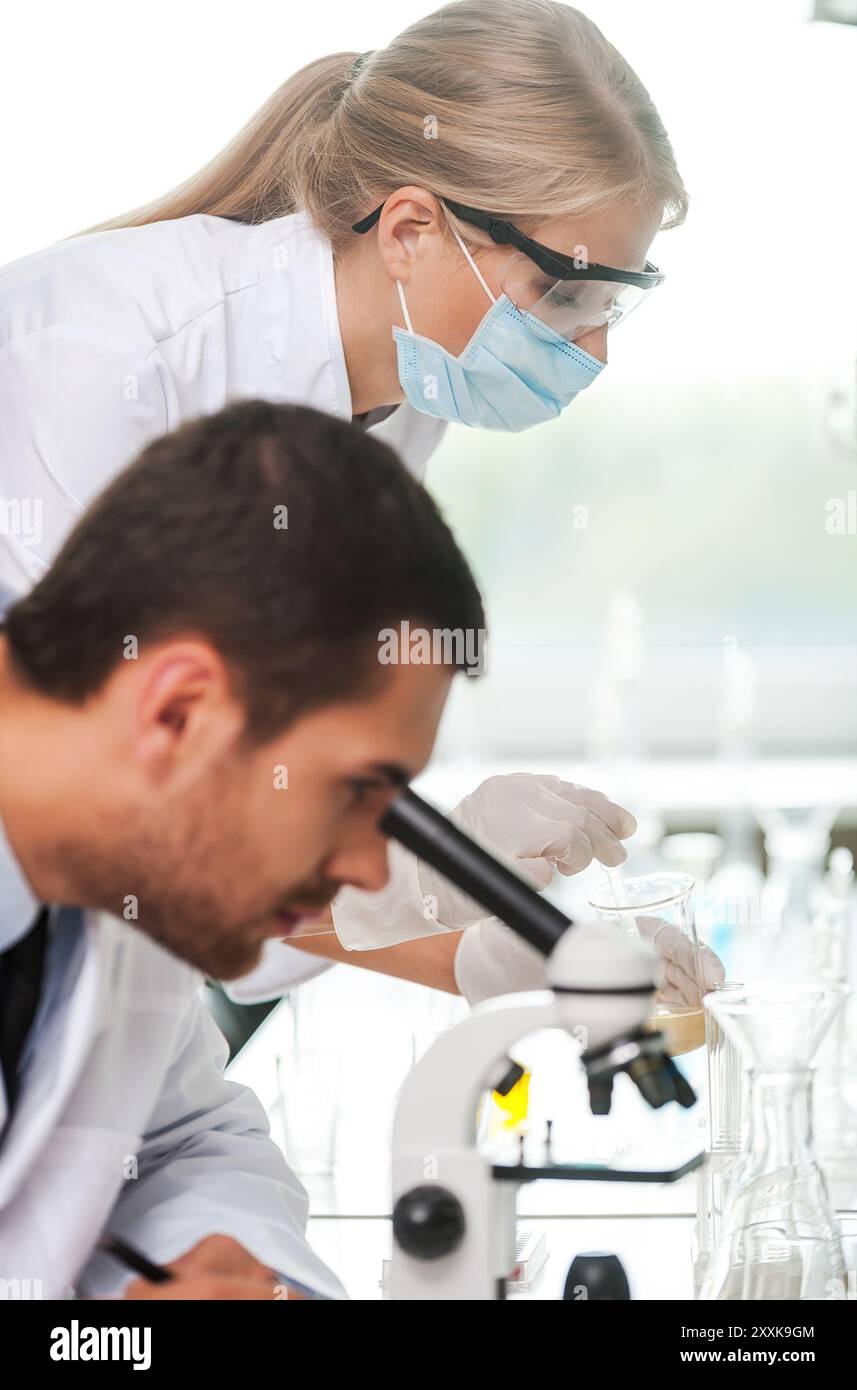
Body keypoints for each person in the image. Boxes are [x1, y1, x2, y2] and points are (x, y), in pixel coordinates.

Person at [0, 0, 687, 983]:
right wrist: (426, 883)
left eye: (617, 301)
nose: (598, 347)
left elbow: (267, 799)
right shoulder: (106, 364)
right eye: (566, 293)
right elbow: (119, 822)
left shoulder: (404, 396)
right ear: (409, 228)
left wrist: (488, 955)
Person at [0, 398, 489, 1299]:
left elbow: (176, 1143)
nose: (371, 870)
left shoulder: (122, 850)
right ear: (181, 709)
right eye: (354, 792)